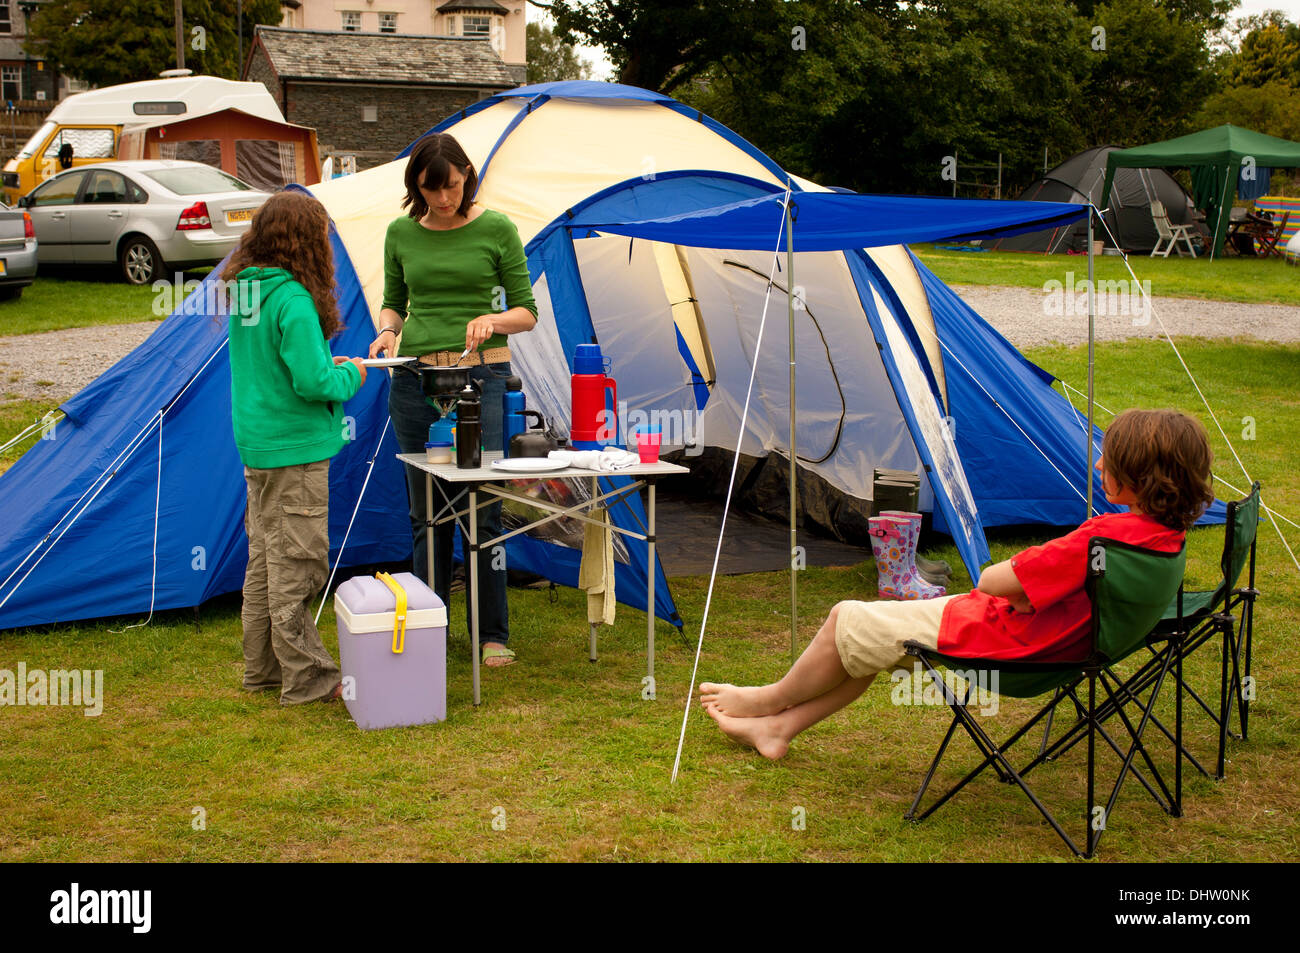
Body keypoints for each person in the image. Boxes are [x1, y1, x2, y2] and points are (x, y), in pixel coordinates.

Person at [700, 408, 1215, 759]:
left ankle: (767, 702)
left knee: (847, 619)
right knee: (876, 637)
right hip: (1057, 644)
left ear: (1142, 476)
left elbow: (993, 580)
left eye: (1112, 458)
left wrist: (1031, 564)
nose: (1100, 462)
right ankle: (778, 729)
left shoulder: (1104, 538)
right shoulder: (1165, 538)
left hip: (1007, 646)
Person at [369, 132, 538, 667]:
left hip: (483, 379)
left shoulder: (497, 228)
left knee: (482, 511)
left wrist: (494, 319)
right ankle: (430, 627)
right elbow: (394, 305)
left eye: (452, 186)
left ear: (467, 175)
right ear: (416, 186)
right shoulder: (400, 232)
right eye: (431, 189)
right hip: (414, 380)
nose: (443, 199)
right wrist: (388, 334)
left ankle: (493, 636)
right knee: (425, 514)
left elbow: (526, 312)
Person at [225, 190, 367, 705]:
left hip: (258, 449)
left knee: (264, 563)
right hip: (294, 452)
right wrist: (352, 374)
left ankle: (261, 670)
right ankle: (308, 678)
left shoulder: (247, 289)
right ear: (309, 243)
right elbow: (314, 382)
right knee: (297, 567)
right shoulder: (294, 300)